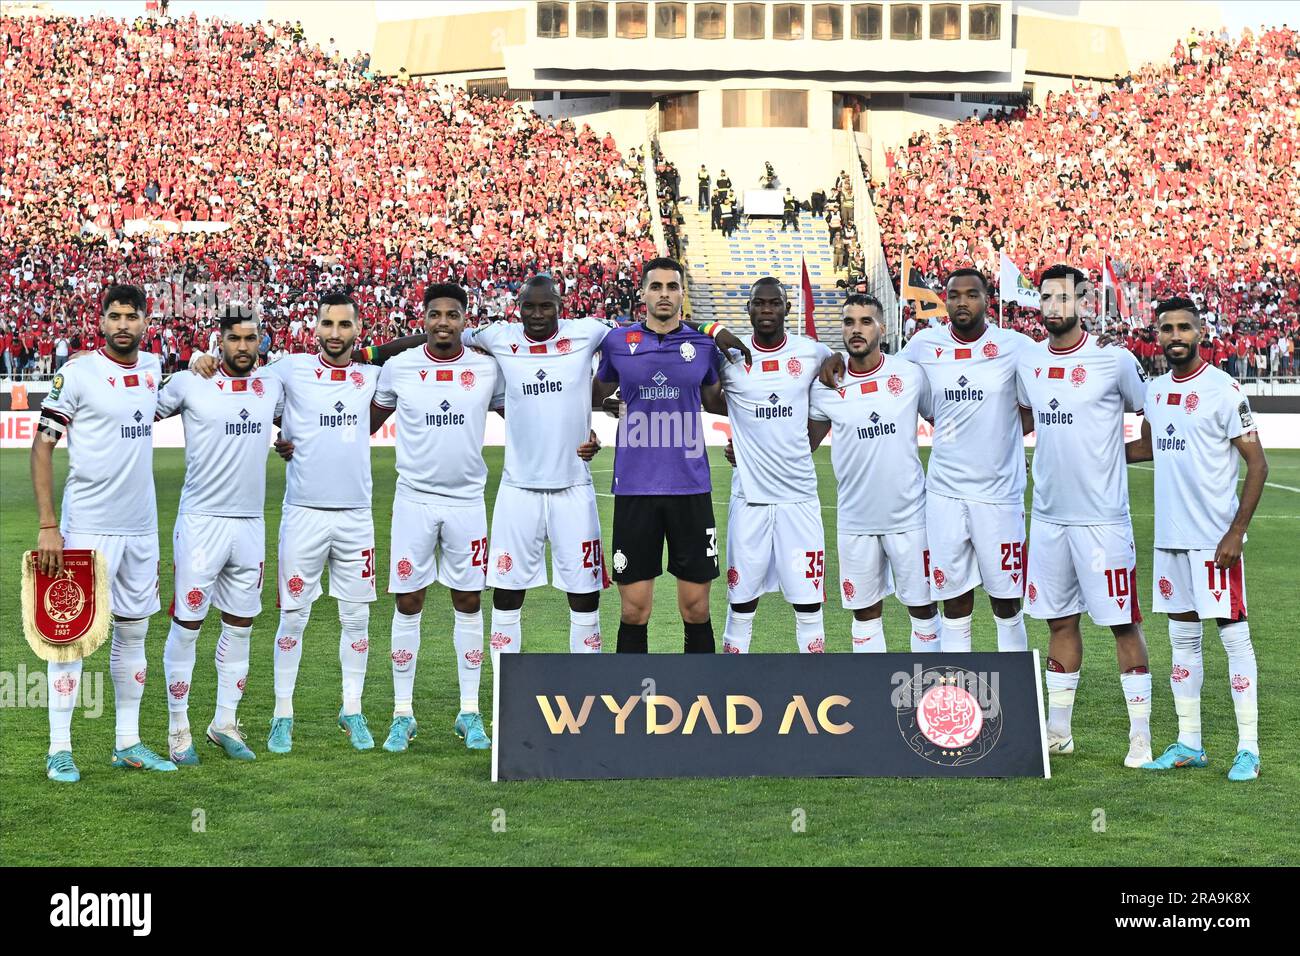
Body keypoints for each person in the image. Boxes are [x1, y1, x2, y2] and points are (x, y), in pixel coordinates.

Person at [191, 291, 414, 753]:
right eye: (327, 325)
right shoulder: (289, 369)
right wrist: (201, 358)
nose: (335, 334)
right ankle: (282, 715)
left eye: (344, 325)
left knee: (356, 619)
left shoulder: (371, 377)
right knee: (293, 618)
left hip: (356, 517)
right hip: (302, 514)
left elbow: (411, 349)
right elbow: (243, 384)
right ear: (314, 328)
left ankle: (351, 710)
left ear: (357, 329)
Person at [821, 269, 1034, 653]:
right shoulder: (922, 347)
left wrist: (1006, 442)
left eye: (971, 295)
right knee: (953, 599)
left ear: (988, 300)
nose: (962, 302)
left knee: (1006, 600)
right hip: (943, 495)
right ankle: (952, 687)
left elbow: (1044, 394)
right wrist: (836, 356)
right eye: (954, 295)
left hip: (1000, 496)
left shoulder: (1016, 345)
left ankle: (1015, 691)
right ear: (945, 300)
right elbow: (880, 372)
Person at [32, 284, 176, 781]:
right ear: (101, 321)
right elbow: (42, 447)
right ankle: (58, 748)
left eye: (130, 317)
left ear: (144, 321)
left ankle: (128, 742)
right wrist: (50, 526)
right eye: (113, 316)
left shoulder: (155, 370)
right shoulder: (76, 374)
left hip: (141, 529)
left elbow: (182, 398)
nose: (122, 325)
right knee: (69, 638)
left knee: (134, 632)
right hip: (86, 528)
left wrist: (201, 363)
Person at [1015, 265, 1154, 768]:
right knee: (1059, 623)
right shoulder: (1028, 364)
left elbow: (1155, 417)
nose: (1053, 307)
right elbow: (1026, 416)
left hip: (1103, 521)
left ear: (1084, 301)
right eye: (1045, 298)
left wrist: (1120, 457)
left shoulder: (1112, 361)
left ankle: (1140, 735)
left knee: (1122, 624)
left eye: (1062, 298)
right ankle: (1058, 732)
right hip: (1049, 519)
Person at [1126, 297, 1269, 782]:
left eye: (1184, 327)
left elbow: (1258, 464)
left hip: (1214, 542)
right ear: (1158, 336)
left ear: (1201, 332)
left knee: (1234, 641)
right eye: (1166, 328)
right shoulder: (1155, 390)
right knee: (1182, 641)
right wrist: (1088, 451)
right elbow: (1148, 445)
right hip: (1169, 539)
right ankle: (1190, 743)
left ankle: (1248, 748)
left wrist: (1236, 531)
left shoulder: (1224, 391)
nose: (1175, 336)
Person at [368, 284, 505, 752]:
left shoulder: (486, 369)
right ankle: (402, 715)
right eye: (435, 314)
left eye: (452, 315)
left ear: (466, 319)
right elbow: (362, 422)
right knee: (409, 602)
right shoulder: (398, 368)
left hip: (468, 502)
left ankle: (470, 712)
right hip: (413, 501)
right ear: (422, 318)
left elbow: (524, 417)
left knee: (468, 601)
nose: (443, 322)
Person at [592, 258, 751, 653]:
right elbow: (591, 396)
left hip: (690, 488)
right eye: (656, 286)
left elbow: (719, 403)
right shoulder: (617, 343)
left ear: (683, 294)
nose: (664, 293)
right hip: (634, 490)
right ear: (642, 293)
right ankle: (630, 707)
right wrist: (589, 427)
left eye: (672, 287)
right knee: (633, 611)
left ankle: (702, 702)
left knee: (696, 609)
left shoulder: (702, 346)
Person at [155, 304, 284, 764]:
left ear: (261, 340)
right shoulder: (193, 382)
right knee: (187, 625)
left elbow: (292, 425)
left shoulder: (272, 386)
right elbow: (141, 410)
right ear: (220, 340)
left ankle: (224, 722)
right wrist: (189, 360)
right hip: (201, 523)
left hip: (250, 524)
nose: (243, 347)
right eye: (235, 339)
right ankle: (178, 728)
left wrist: (286, 441)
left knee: (241, 626)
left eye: (251, 338)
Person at [808, 294, 940, 652]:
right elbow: (803, 444)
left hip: (910, 516)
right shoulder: (826, 387)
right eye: (849, 322)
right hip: (855, 520)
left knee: (923, 609)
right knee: (864, 614)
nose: (856, 329)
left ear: (882, 327)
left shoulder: (909, 375)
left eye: (866, 321)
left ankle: (928, 692)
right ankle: (873, 699)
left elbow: (945, 424)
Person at [713, 278, 832, 653]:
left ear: (787, 309)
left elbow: (835, 379)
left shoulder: (811, 352)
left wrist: (805, 443)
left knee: (808, 599)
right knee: (741, 597)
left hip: (799, 498)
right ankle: (734, 678)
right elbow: (707, 394)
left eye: (774, 303)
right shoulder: (730, 357)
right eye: (759, 304)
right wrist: (712, 329)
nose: (767, 310)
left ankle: (815, 679)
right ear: (747, 309)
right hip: (749, 498)